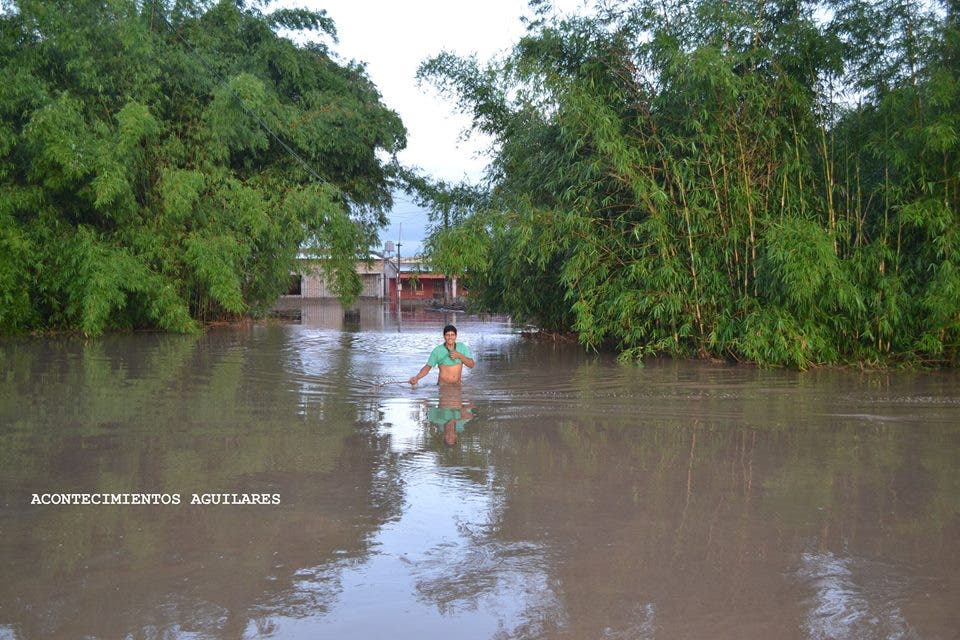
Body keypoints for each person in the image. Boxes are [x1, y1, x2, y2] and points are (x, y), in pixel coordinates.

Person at [409, 324, 475, 385]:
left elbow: (471, 365)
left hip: (457, 385)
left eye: (452, 335)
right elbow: (427, 367)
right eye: (447, 335)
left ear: (456, 336)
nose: (450, 337)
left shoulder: (462, 347)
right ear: (444, 336)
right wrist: (417, 378)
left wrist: (460, 356)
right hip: (443, 386)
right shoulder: (437, 350)